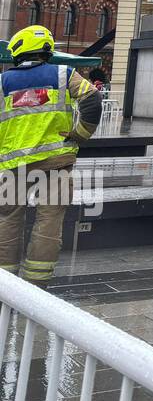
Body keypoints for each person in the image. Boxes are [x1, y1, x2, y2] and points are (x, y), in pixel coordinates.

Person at [0, 25, 103, 284]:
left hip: (15, 166)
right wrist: (79, 134)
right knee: (49, 219)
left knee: (8, 219)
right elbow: (92, 100)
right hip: (56, 163)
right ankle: (37, 281)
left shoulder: (3, 82)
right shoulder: (64, 74)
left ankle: (6, 281)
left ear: (18, 51)